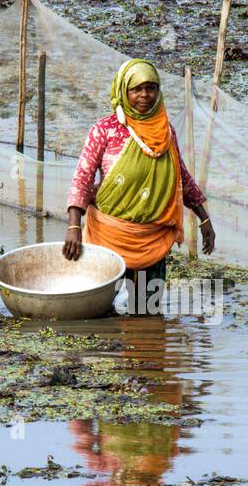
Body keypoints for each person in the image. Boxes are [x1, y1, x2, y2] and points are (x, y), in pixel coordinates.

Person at [63, 58, 214, 314]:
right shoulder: (106, 129)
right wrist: (74, 225)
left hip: (152, 240)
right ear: (124, 91)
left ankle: (146, 351)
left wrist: (204, 219)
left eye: (151, 88)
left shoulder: (165, 132)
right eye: (137, 89)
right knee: (95, 312)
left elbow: (181, 177)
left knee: (147, 312)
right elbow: (83, 176)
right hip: (108, 237)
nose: (144, 95)